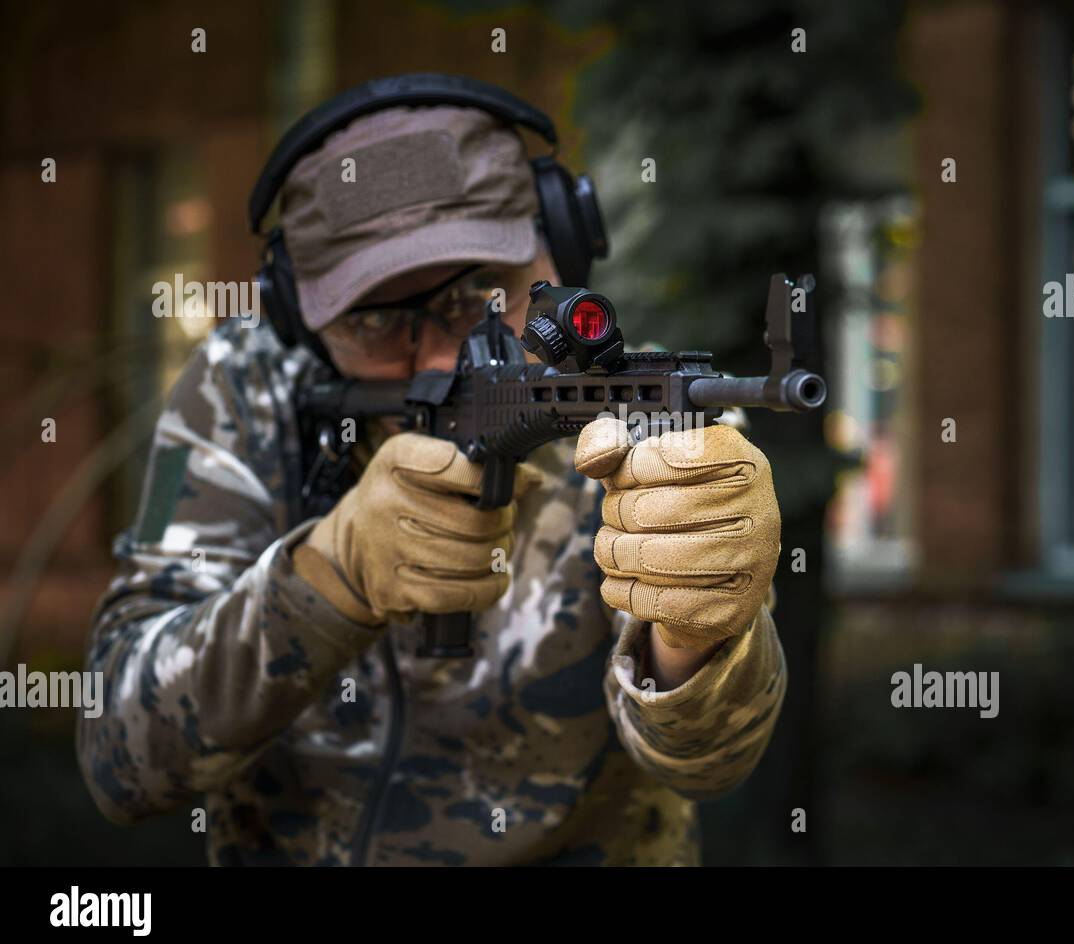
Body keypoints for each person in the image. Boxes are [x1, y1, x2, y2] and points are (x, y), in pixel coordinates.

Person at [76, 77, 786, 866]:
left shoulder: (642, 412)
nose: (450, 356)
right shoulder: (237, 394)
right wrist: (327, 579)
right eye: (376, 320)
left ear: (561, 243)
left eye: (484, 293)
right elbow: (119, 756)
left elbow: (713, 760)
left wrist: (694, 638)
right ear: (297, 316)